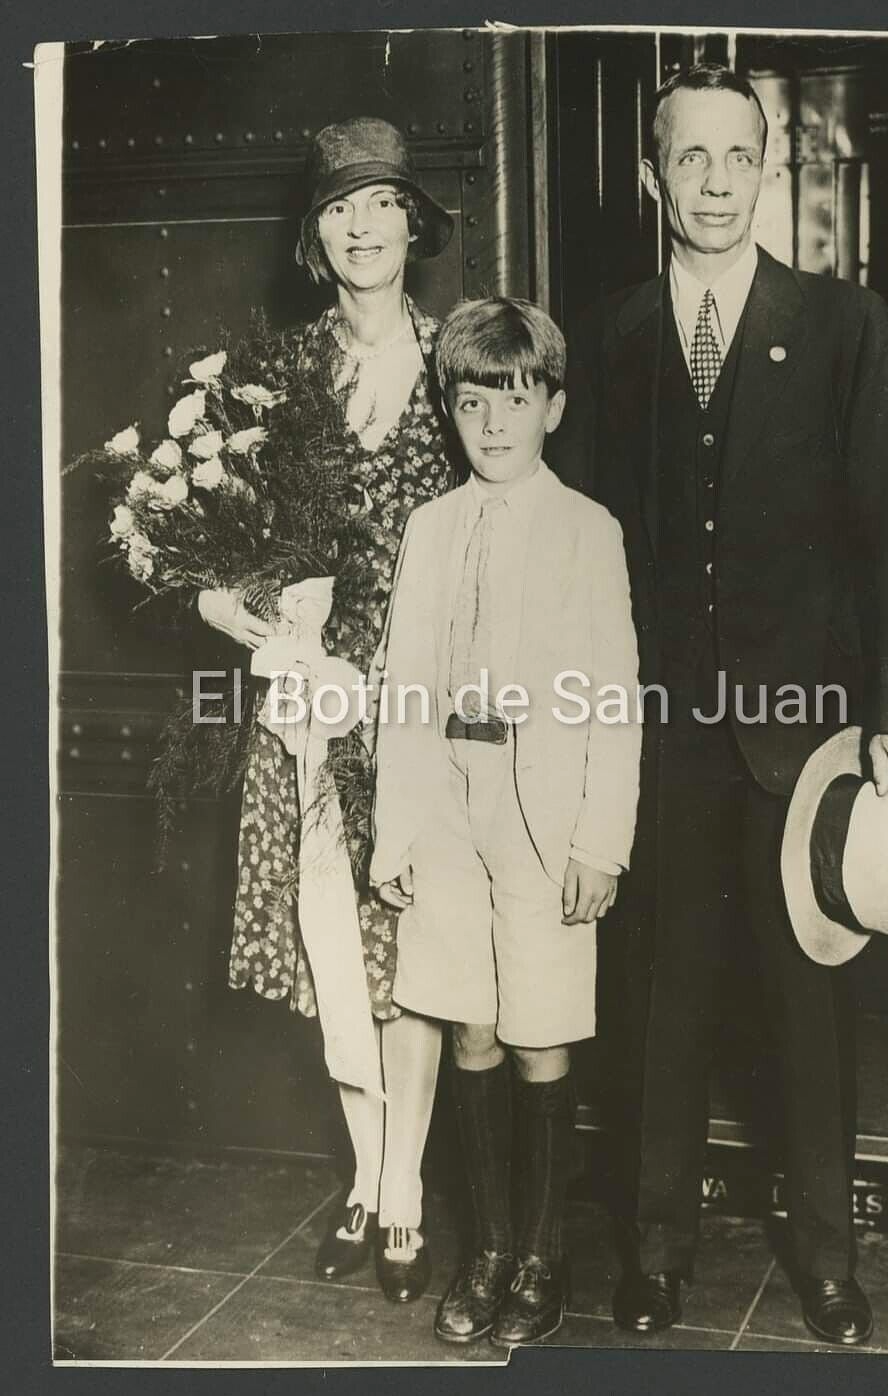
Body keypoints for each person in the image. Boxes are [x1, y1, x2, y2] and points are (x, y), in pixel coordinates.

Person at [550, 65, 888, 1346]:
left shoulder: (842, 327)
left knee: (808, 1002)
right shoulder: (606, 338)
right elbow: (584, 548)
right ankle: (654, 1255)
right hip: (659, 736)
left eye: (738, 156)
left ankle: (829, 1261)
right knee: (663, 995)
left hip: (808, 733)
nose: (715, 182)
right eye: (691, 159)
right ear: (654, 176)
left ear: (769, 169)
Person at [195, 117, 460, 1304]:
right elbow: (235, 549)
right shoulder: (279, 374)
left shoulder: (462, 359)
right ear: (317, 233)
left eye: (382, 203)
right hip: (311, 708)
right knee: (336, 951)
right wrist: (229, 608)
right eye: (340, 207)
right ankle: (364, 1177)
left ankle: (405, 1192)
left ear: (415, 221)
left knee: (414, 954)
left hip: (422, 706)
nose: (362, 227)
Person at [368, 298, 641, 1346]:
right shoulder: (429, 529)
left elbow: (612, 698)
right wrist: (397, 832)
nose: (492, 424)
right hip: (446, 805)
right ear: (452, 412)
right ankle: (486, 1246)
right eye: (472, 402)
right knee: (471, 1028)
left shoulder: (587, 530)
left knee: (537, 1034)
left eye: (514, 401)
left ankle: (541, 1251)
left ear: (553, 409)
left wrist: (597, 844)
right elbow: (402, 690)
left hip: (545, 812)